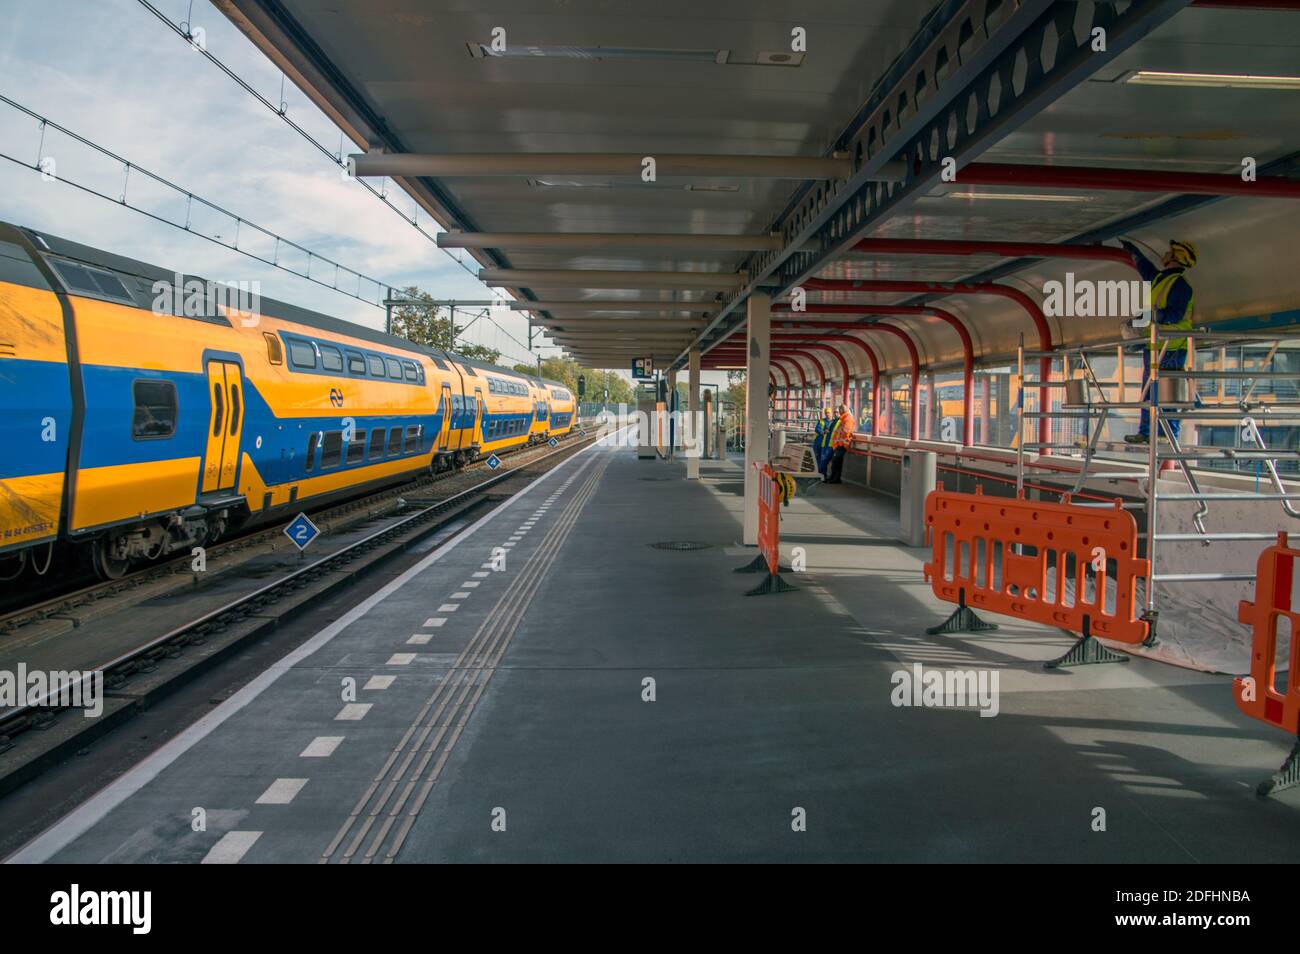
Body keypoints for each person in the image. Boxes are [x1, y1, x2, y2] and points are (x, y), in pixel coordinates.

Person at [1117, 238, 1197, 444]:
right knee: (1149, 390)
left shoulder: (1180, 284)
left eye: (1170, 251)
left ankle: (1166, 435)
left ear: (1176, 256)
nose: (1165, 254)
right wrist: (1134, 253)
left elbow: (1176, 315)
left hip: (1171, 346)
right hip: (1155, 345)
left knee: (1167, 394)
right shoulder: (1161, 279)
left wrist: (1153, 315)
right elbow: (1146, 269)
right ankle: (1146, 432)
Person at [825, 403, 854, 484]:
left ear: (842, 410)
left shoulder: (848, 419)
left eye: (839, 411)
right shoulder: (843, 419)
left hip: (842, 444)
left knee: (836, 461)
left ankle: (836, 478)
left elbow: (845, 432)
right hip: (839, 444)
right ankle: (834, 478)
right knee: (836, 461)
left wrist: (839, 437)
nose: (837, 413)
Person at [813, 406, 834, 476]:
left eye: (828, 413)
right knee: (818, 458)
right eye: (826, 413)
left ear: (831, 413)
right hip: (818, 443)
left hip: (827, 444)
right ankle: (819, 473)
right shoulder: (821, 421)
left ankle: (821, 474)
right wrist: (824, 432)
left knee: (823, 459)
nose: (827, 414)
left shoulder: (834, 422)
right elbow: (817, 429)